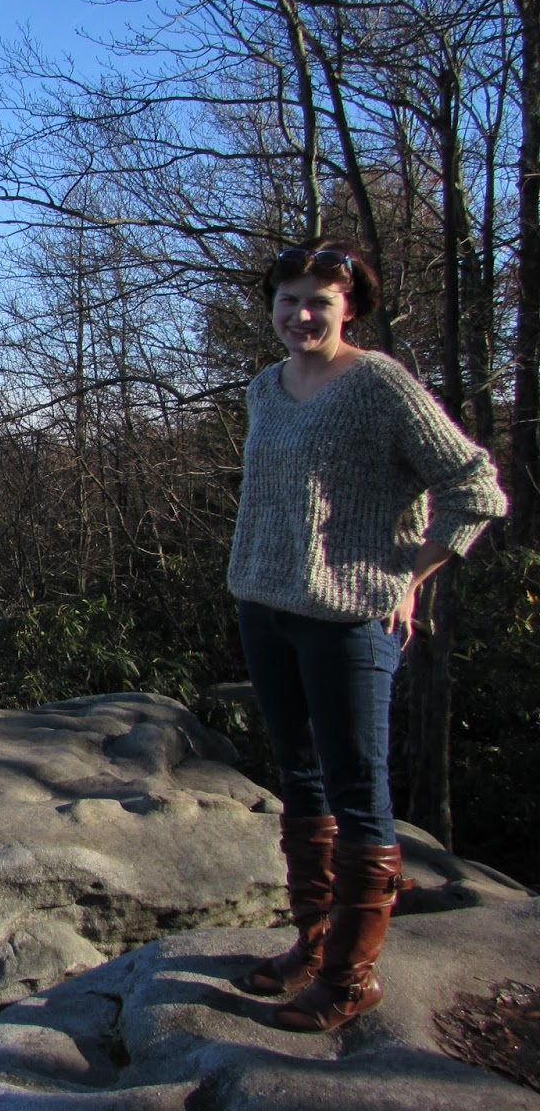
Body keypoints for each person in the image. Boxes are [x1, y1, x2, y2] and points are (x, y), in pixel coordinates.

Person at [227, 238, 507, 1032]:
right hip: (266, 608)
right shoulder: (264, 388)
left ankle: (352, 979)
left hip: (350, 618)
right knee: (301, 779)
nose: (301, 314)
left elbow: (473, 486)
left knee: (357, 791)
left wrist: (412, 577)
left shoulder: (381, 384)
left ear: (350, 307)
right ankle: (314, 943)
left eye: (318, 300)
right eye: (288, 300)